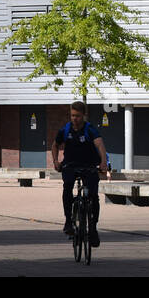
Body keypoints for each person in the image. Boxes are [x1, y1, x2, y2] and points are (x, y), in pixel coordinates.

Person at [52, 101, 110, 247]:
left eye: (77, 116)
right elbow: (55, 145)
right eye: (72, 115)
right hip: (70, 165)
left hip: (89, 166)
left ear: (83, 115)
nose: (74, 119)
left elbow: (100, 145)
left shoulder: (90, 129)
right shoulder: (66, 130)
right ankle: (68, 221)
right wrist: (56, 161)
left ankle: (93, 229)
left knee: (93, 196)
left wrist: (103, 162)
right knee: (67, 187)